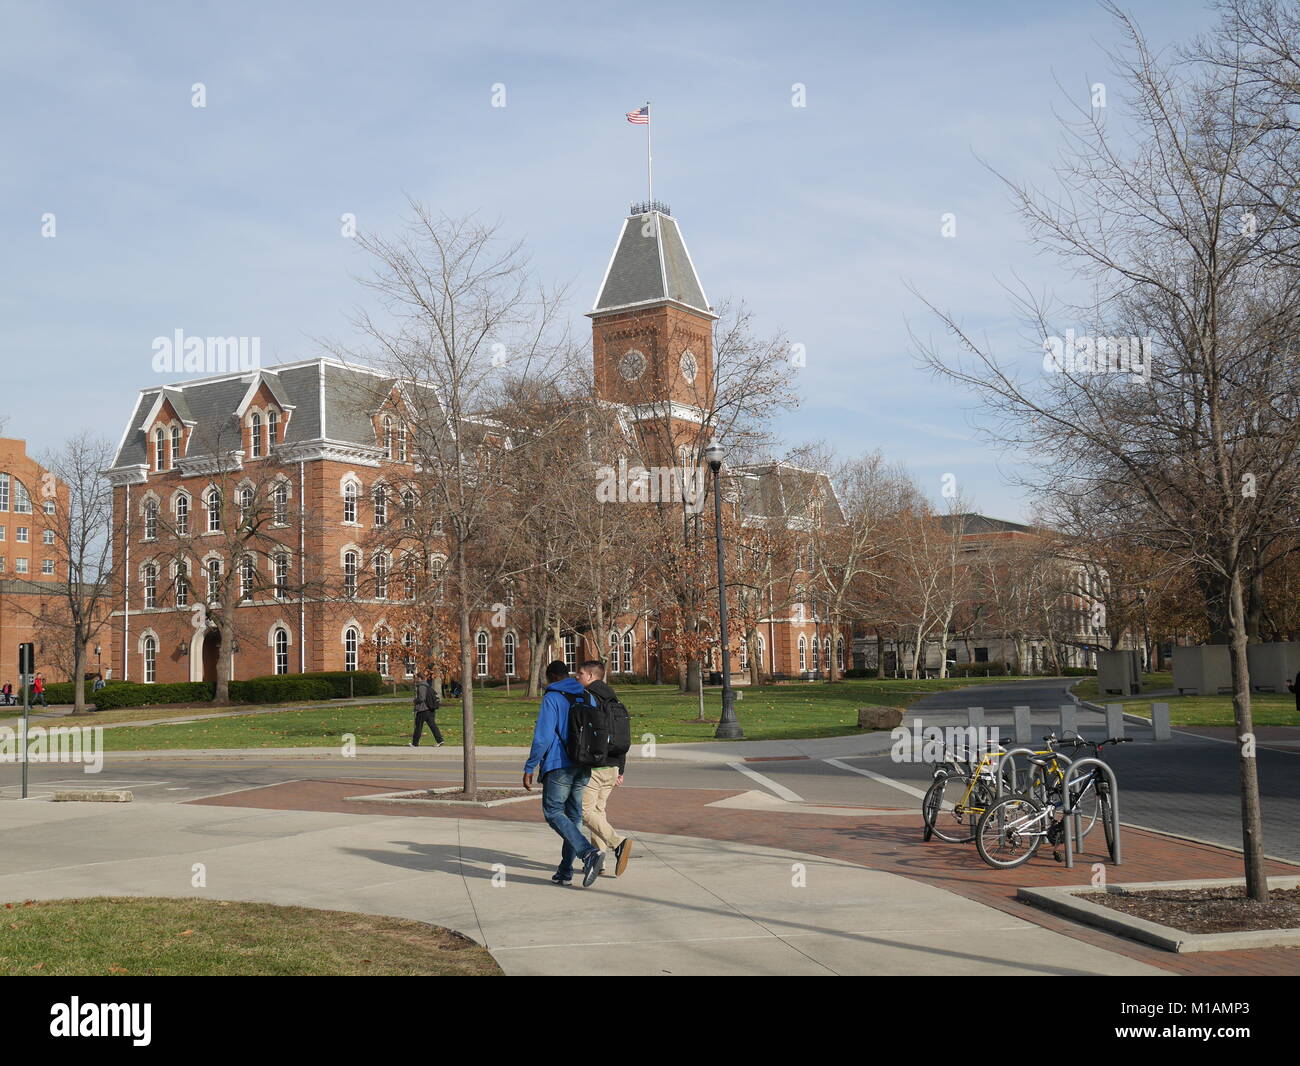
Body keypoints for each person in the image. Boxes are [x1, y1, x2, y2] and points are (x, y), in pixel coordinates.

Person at [522, 660, 604, 887]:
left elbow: (543, 736)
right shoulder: (588, 696)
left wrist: (530, 766)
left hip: (559, 765)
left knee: (553, 812)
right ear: (567, 675)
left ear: (551, 677)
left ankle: (588, 853)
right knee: (574, 816)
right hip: (584, 764)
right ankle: (565, 871)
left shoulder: (552, 697)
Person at [576, 660, 633, 876]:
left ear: (591, 676)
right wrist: (621, 769)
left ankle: (618, 843)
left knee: (584, 812)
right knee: (597, 812)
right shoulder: (615, 700)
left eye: (580, 673)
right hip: (613, 766)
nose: (577, 676)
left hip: (595, 766)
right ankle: (599, 861)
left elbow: (581, 731)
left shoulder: (589, 698)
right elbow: (623, 735)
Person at [410, 670, 444, 747]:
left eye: (416, 678)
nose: (415, 679)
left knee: (418, 726)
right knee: (432, 725)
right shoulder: (427, 685)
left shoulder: (421, 686)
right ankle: (440, 740)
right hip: (430, 709)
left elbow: (422, 698)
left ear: (419, 678)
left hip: (423, 710)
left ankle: (415, 743)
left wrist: (415, 701)